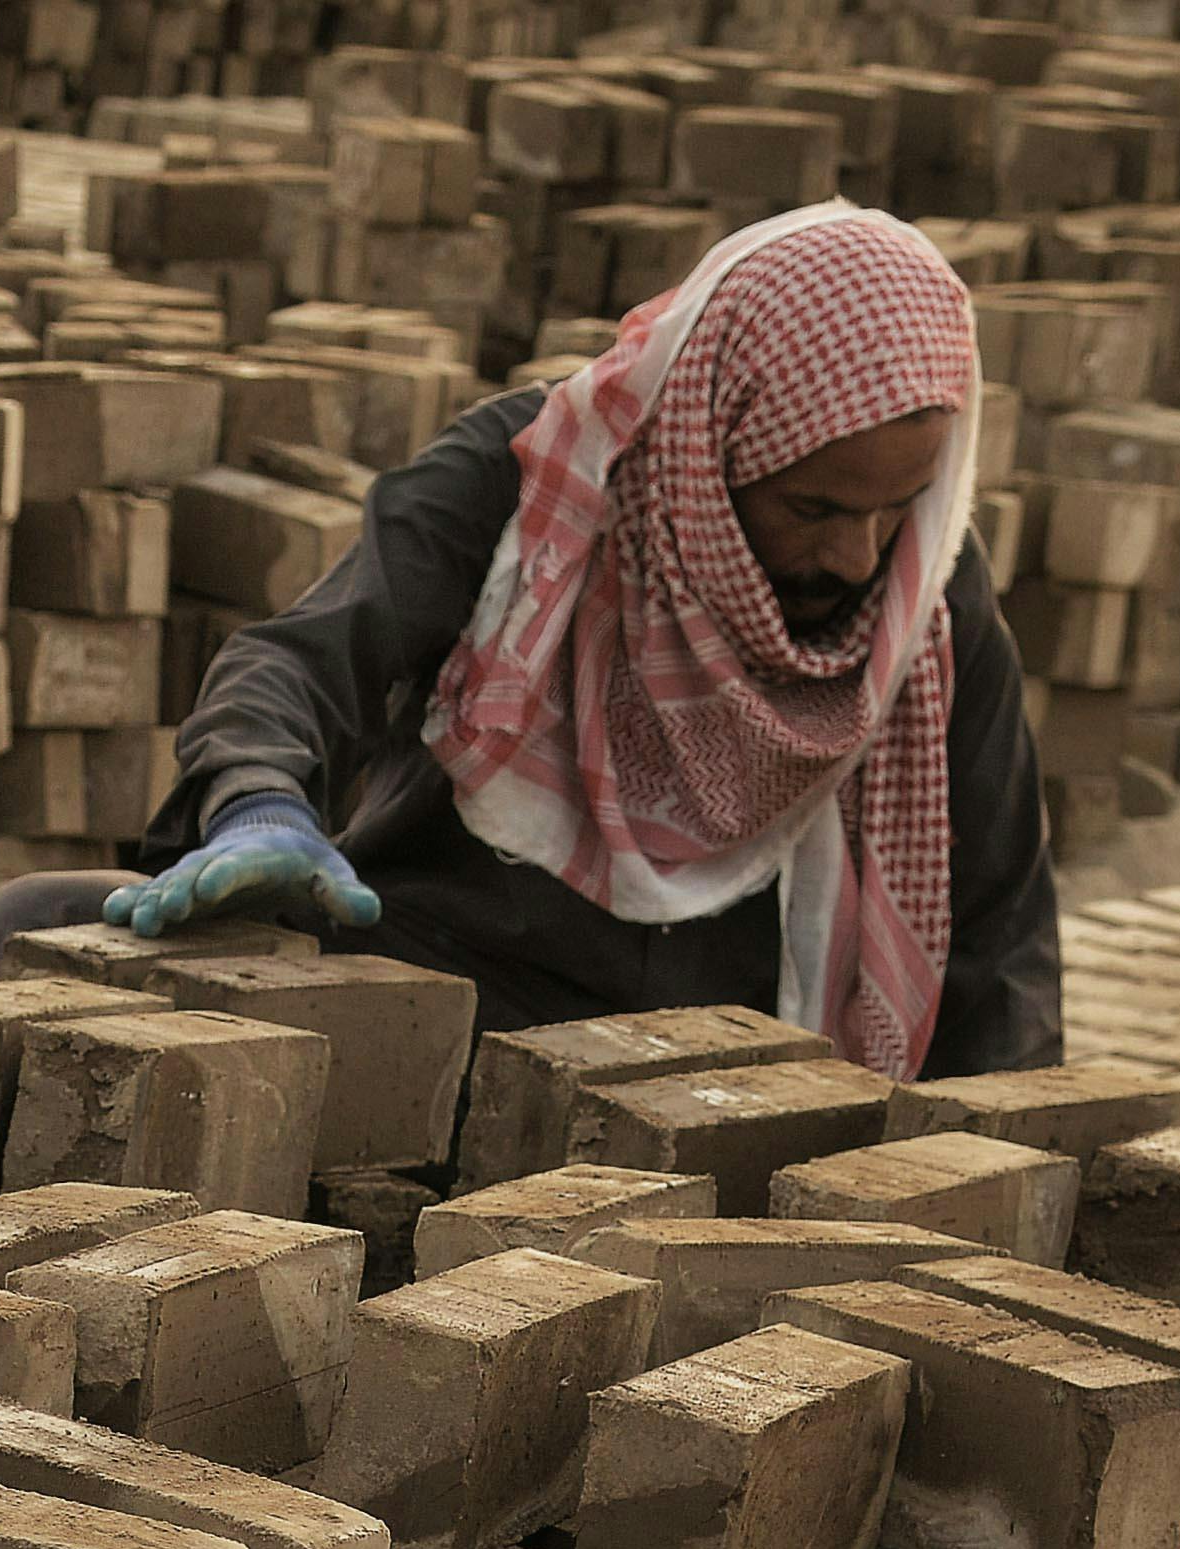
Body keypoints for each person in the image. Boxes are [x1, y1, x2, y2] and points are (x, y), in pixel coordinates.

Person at [66, 199, 1065, 1076]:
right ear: (711, 447)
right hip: (458, 983)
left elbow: (1000, 921)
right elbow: (300, 661)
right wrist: (257, 802)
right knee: (48, 925)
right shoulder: (529, 480)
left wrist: (1001, 1157)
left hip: (737, 1056)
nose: (857, 557)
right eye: (813, 509)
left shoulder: (926, 592)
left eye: (896, 507)